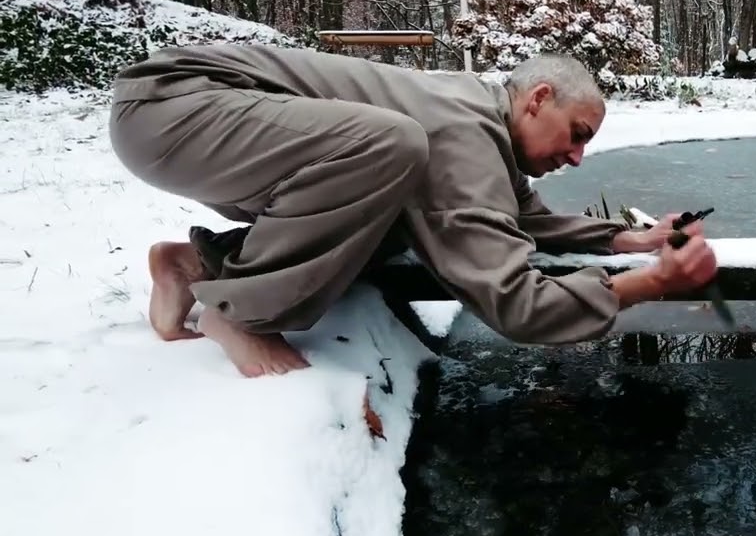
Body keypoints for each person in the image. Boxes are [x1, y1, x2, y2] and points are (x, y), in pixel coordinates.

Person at [107, 44, 718, 377]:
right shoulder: (462, 130)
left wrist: (625, 241)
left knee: (401, 208)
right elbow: (515, 303)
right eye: (578, 133)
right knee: (394, 145)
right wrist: (647, 286)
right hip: (173, 106)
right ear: (537, 99)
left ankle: (195, 266)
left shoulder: (479, 119)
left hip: (177, 116)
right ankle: (241, 312)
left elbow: (515, 216)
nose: (579, 156)